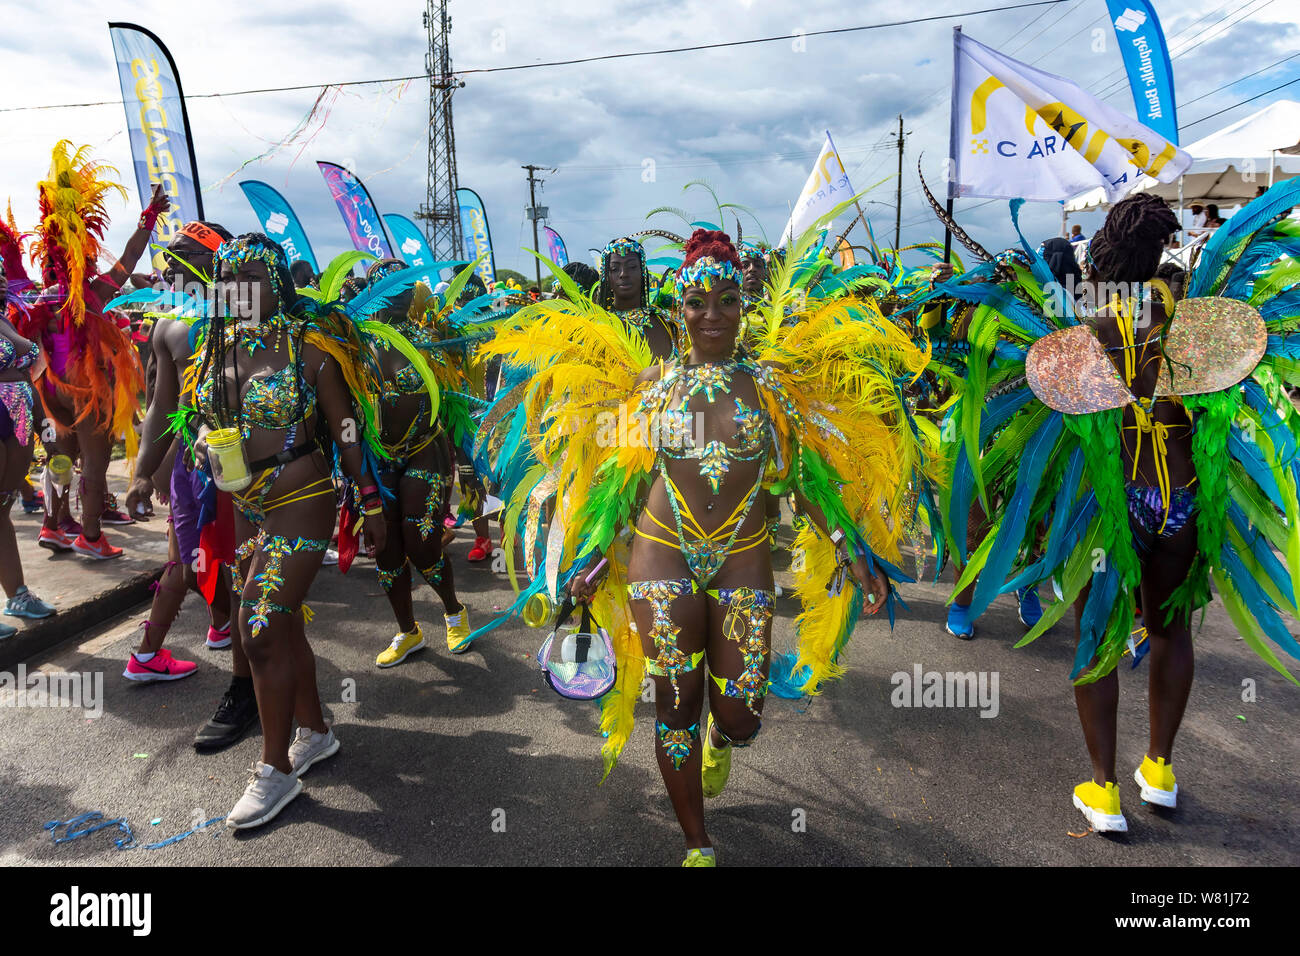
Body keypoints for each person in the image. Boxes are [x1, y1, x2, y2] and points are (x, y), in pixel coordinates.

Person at [493, 228, 928, 865]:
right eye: (699, 303)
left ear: (742, 305)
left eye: (727, 300)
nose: (713, 315)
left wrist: (846, 544)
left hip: (742, 556)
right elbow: (623, 477)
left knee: (743, 710)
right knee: (675, 700)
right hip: (659, 554)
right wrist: (591, 554)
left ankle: (722, 737)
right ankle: (698, 843)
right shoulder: (653, 386)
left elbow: (804, 476)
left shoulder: (772, 389)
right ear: (680, 310)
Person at [945, 184, 1300, 833]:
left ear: (1105, 249)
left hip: (1111, 505)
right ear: (1162, 247)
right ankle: (1159, 769)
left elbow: (998, 355)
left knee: (1097, 636)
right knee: (1172, 632)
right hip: (1184, 501)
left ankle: (1104, 789)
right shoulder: (1191, 316)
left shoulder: (1084, 323)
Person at [191, 234, 385, 828]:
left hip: (303, 499)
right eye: (232, 278)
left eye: (255, 275)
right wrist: (201, 442)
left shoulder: (309, 350)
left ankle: (275, 771)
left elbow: (344, 428)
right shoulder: (215, 348)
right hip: (248, 506)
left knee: (257, 630)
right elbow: (196, 415)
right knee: (281, 625)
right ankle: (316, 733)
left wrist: (370, 501)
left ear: (279, 284)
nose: (243, 289)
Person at [12, 143, 165, 560]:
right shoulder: (93, 294)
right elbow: (132, 257)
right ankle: (92, 537)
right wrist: (148, 218)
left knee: (61, 461)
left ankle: (54, 525)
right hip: (87, 393)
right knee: (94, 466)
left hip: (51, 393)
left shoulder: (40, 300)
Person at [349, 258, 471, 664]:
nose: (400, 291)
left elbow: (467, 366)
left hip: (424, 448)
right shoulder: (353, 342)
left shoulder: (430, 336)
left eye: (406, 283)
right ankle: (408, 631)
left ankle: (453, 611)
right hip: (377, 457)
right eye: (389, 284)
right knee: (385, 548)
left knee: (421, 543)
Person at [0, 255, 56, 638]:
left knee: (1, 508)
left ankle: (17, 594)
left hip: (19, 420)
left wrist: (46, 430)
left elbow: (26, 378)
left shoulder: (4, 318)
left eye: (1, 272)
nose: (1, 279)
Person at [598, 237, 679, 361]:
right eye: (614, 269)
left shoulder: (669, 322)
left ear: (642, 272)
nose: (623, 274)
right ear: (606, 277)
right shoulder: (598, 328)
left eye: (632, 267)